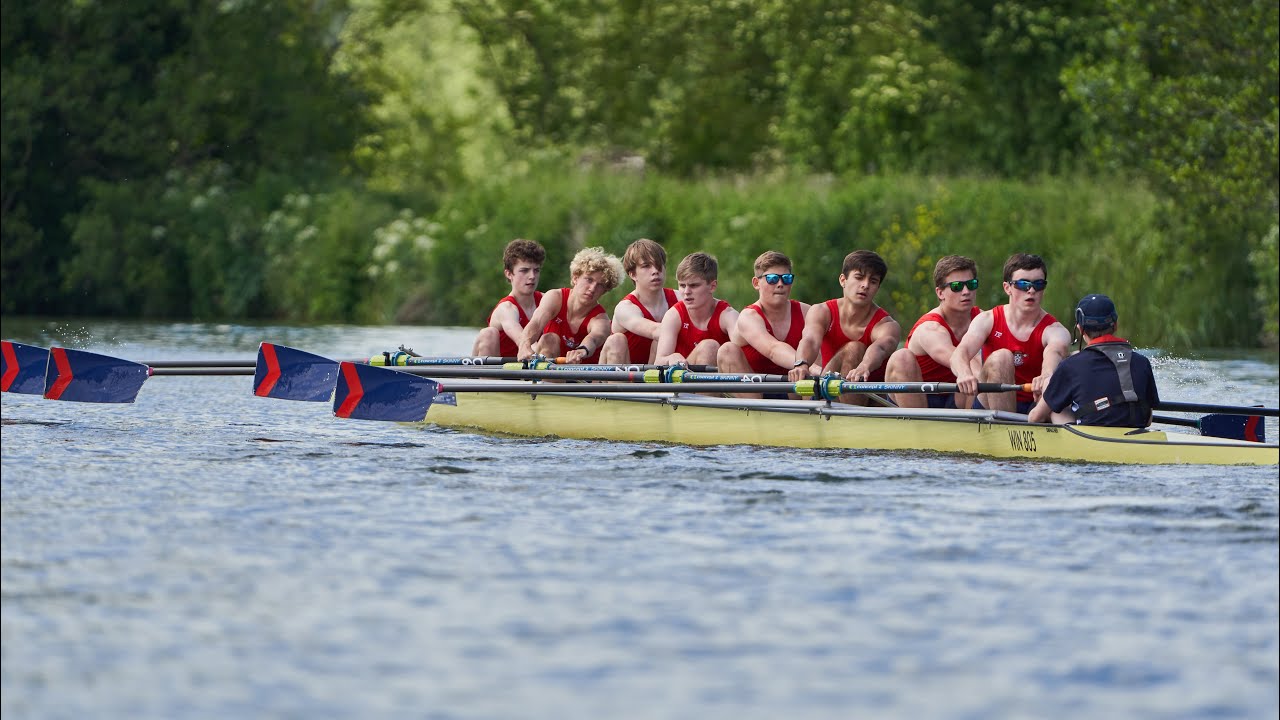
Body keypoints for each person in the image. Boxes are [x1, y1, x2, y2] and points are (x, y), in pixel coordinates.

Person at [951, 253, 1071, 413]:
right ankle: (1004, 429)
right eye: (1023, 284)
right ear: (1007, 288)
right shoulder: (987, 319)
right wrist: (964, 374)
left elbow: (1054, 352)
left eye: (1039, 284)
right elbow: (960, 353)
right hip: (989, 404)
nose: (1031, 290)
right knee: (1001, 357)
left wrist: (1046, 375)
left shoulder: (1056, 330)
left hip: (1033, 405)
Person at [787, 250, 901, 404]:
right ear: (843, 280)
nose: (865, 285)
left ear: (877, 288)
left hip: (872, 399)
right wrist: (801, 363)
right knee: (851, 348)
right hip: (825, 391)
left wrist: (865, 366)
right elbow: (810, 340)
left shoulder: (887, 325)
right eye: (859, 277)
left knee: (855, 348)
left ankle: (851, 419)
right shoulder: (821, 311)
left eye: (873, 281)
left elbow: (880, 348)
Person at [1028, 294, 1159, 427]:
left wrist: (1046, 389)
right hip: (1137, 436)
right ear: (1116, 326)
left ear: (1080, 329)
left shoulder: (1071, 366)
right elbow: (1148, 421)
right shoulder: (1142, 362)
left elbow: (1035, 418)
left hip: (1090, 441)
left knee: (1055, 409)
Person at [883, 255, 983, 409]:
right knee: (901, 357)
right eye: (957, 286)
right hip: (919, 398)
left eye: (971, 284)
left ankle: (981, 427)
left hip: (958, 396)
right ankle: (917, 429)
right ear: (940, 293)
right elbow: (958, 358)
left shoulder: (984, 319)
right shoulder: (929, 328)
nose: (966, 291)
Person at [717, 251, 810, 399]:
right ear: (756, 283)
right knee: (727, 350)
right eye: (772, 279)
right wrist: (804, 363)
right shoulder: (748, 316)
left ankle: (814, 416)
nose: (780, 284)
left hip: (792, 390)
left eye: (786, 278)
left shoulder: (807, 312)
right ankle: (756, 418)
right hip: (754, 390)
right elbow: (773, 349)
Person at [517, 246, 624, 364]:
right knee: (549, 339)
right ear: (575, 278)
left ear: (604, 291)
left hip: (582, 378)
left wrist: (581, 351)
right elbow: (536, 323)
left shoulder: (601, 320)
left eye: (600, 285)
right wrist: (524, 345)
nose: (592, 288)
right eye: (589, 279)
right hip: (552, 369)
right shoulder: (555, 298)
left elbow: (593, 338)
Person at [599, 239, 678, 364]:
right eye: (646, 266)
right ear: (632, 274)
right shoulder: (625, 308)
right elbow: (655, 331)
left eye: (659, 264)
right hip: (625, 377)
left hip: (653, 375)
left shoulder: (681, 298)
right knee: (616, 340)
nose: (655, 271)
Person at [654, 252, 739, 367]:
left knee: (710, 347)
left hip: (720, 381)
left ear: (712, 286)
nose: (686, 292)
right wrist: (671, 358)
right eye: (682, 285)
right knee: (709, 347)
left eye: (694, 285)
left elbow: (745, 357)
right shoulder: (674, 315)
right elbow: (658, 362)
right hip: (682, 380)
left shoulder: (728, 315)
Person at [471, 239, 545, 357]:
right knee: (488, 334)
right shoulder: (506, 309)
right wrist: (542, 355)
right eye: (524, 270)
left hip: (530, 370)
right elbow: (522, 340)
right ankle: (485, 376)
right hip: (500, 372)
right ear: (509, 274)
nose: (532, 276)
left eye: (536, 270)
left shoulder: (547, 301)